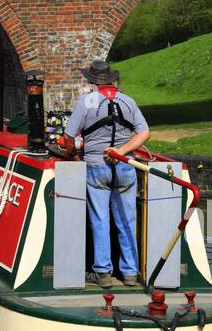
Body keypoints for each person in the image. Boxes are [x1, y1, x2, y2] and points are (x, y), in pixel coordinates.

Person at [61, 58, 150, 289]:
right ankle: (130, 273)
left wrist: (73, 155)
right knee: (127, 220)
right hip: (125, 165)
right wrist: (121, 151)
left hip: (96, 165)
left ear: (92, 82)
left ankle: (103, 273)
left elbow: (69, 137)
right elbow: (144, 133)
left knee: (100, 219)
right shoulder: (128, 101)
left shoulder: (86, 101)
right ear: (112, 80)